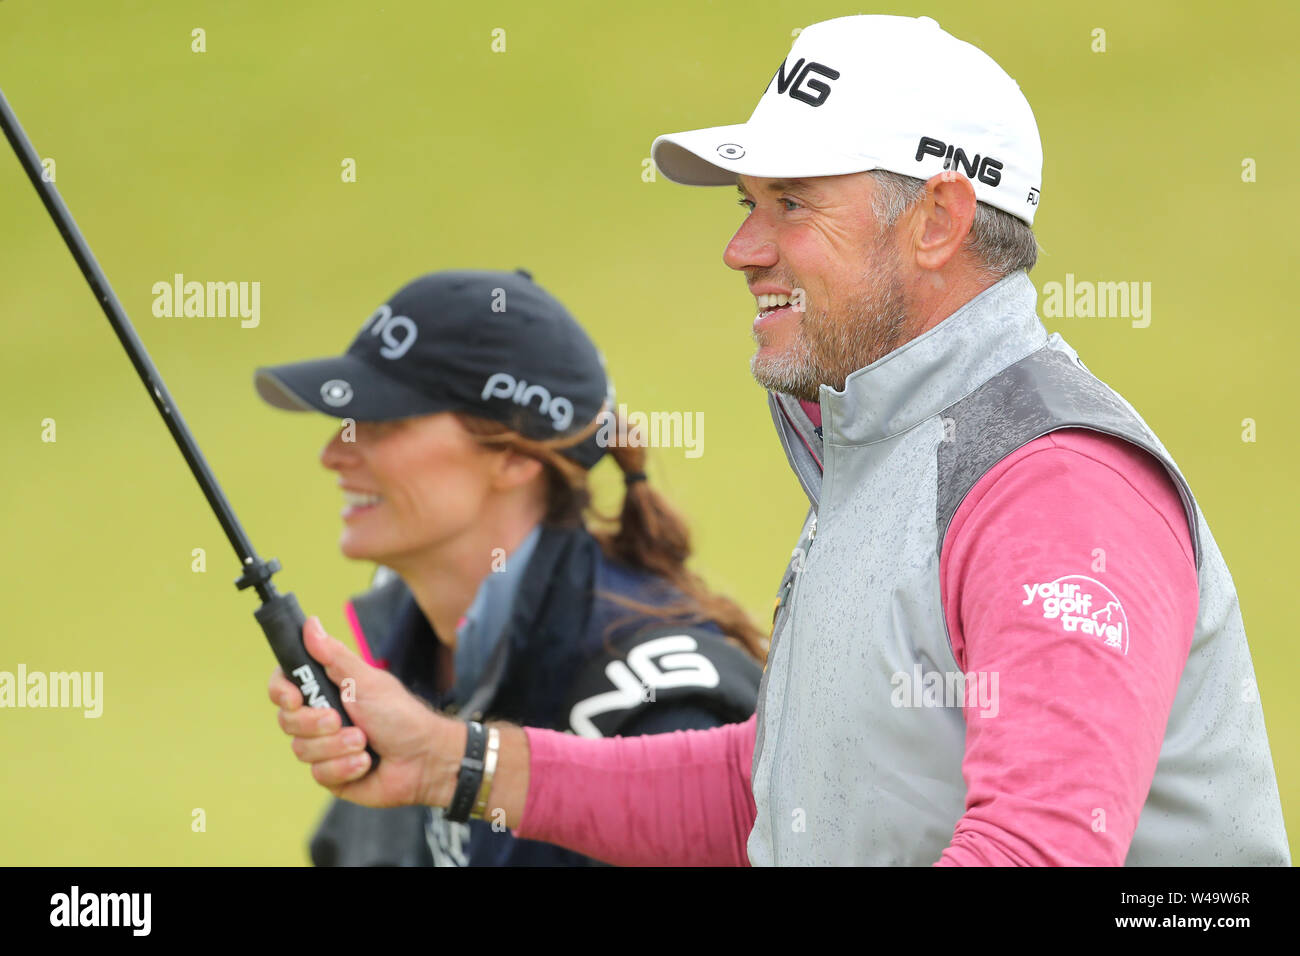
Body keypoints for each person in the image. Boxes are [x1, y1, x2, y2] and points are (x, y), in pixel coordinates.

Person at [269, 16, 1290, 865]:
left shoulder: (1052, 486)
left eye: (790, 205)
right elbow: (778, 788)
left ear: (937, 219)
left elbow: (1037, 853)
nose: (740, 248)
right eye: (746, 206)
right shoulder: (888, 454)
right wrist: (454, 762)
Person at [255, 268, 765, 866]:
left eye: (383, 420)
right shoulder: (400, 660)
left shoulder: (665, 709)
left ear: (514, 458)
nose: (334, 454)